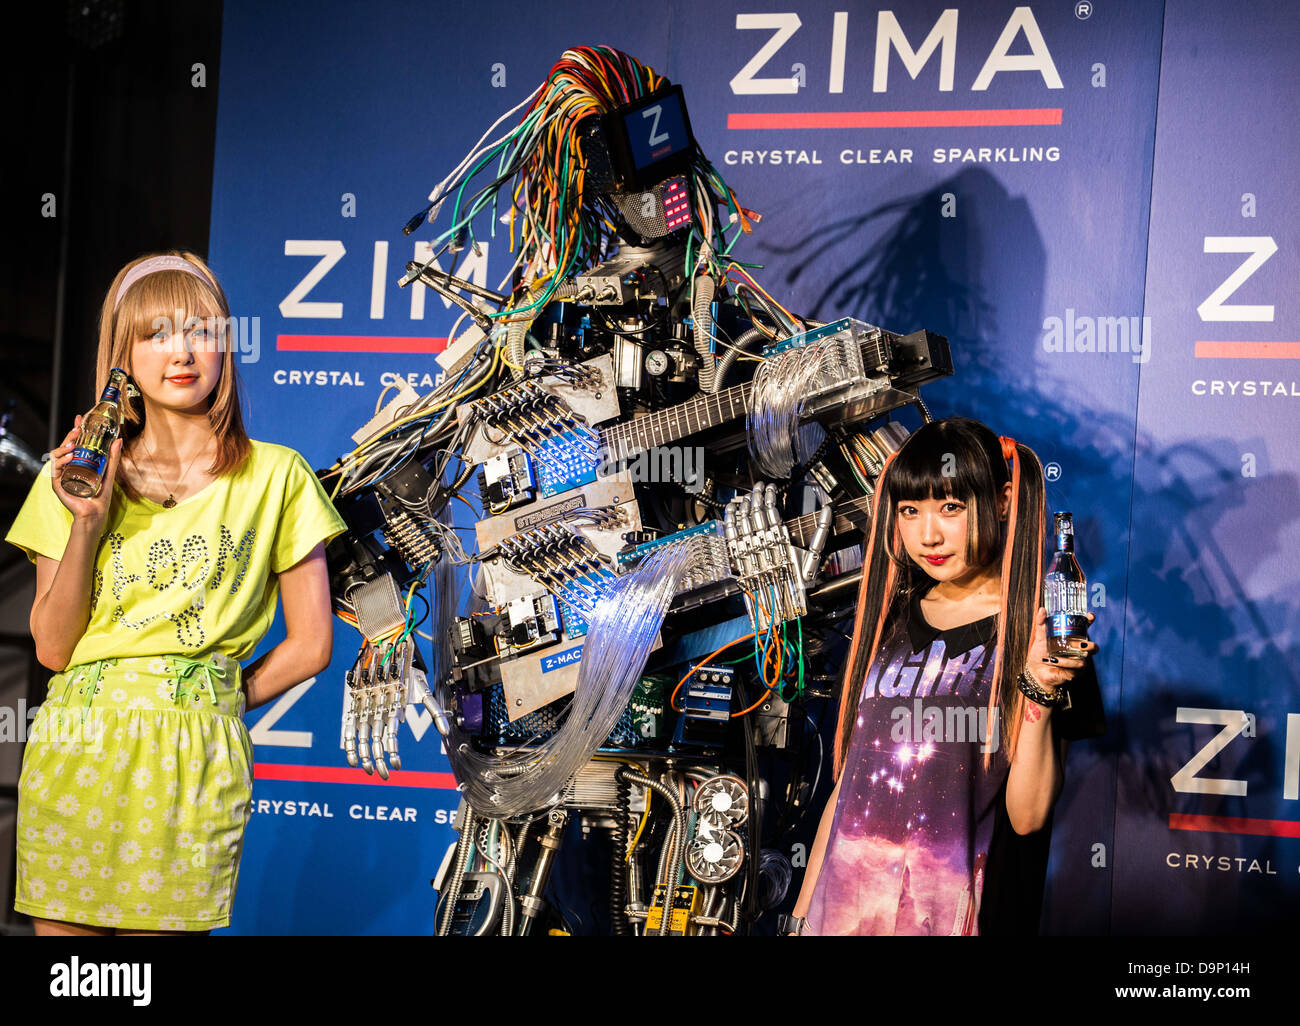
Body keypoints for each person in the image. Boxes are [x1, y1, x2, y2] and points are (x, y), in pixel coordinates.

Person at [5, 251, 347, 935]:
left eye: (202, 330)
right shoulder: (70, 478)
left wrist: (210, 702)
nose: (184, 351)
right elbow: (51, 646)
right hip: (77, 741)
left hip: (195, 753)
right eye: (158, 333)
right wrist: (89, 522)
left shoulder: (278, 476)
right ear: (122, 354)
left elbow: (311, 645)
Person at [787, 417, 1104, 935]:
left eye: (951, 508)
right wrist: (799, 918)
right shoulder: (886, 618)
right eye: (910, 511)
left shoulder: (1041, 634)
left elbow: (1027, 818)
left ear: (1002, 501)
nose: (928, 534)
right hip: (839, 917)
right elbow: (849, 789)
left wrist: (1038, 691)